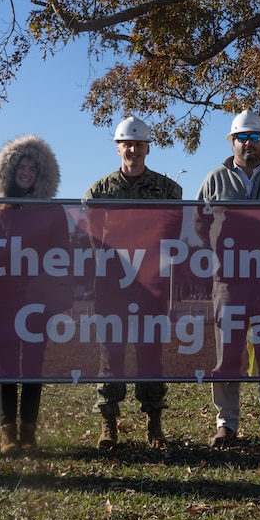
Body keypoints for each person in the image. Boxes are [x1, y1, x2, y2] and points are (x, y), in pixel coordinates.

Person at [196, 110, 260, 446]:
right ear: (233, 142)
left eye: (255, 137)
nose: (249, 143)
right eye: (242, 137)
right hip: (228, 284)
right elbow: (198, 224)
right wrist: (216, 256)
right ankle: (226, 422)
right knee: (228, 355)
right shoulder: (214, 179)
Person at [85, 116, 183, 449]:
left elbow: (174, 234)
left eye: (139, 144)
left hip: (151, 286)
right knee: (110, 355)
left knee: (150, 354)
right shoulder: (99, 191)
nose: (133, 149)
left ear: (148, 148)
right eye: (127, 143)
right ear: (117, 148)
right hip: (111, 287)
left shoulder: (169, 190)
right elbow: (90, 236)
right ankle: (108, 424)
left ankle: (154, 424)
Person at [0, 134, 65, 455]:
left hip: (38, 300)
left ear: (42, 173)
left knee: (33, 363)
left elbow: (63, 254)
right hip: (2, 299)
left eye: (33, 167)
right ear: (10, 169)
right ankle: (7, 431)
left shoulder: (53, 210)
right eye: (21, 166)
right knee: (6, 365)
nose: (26, 172)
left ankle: (29, 430)